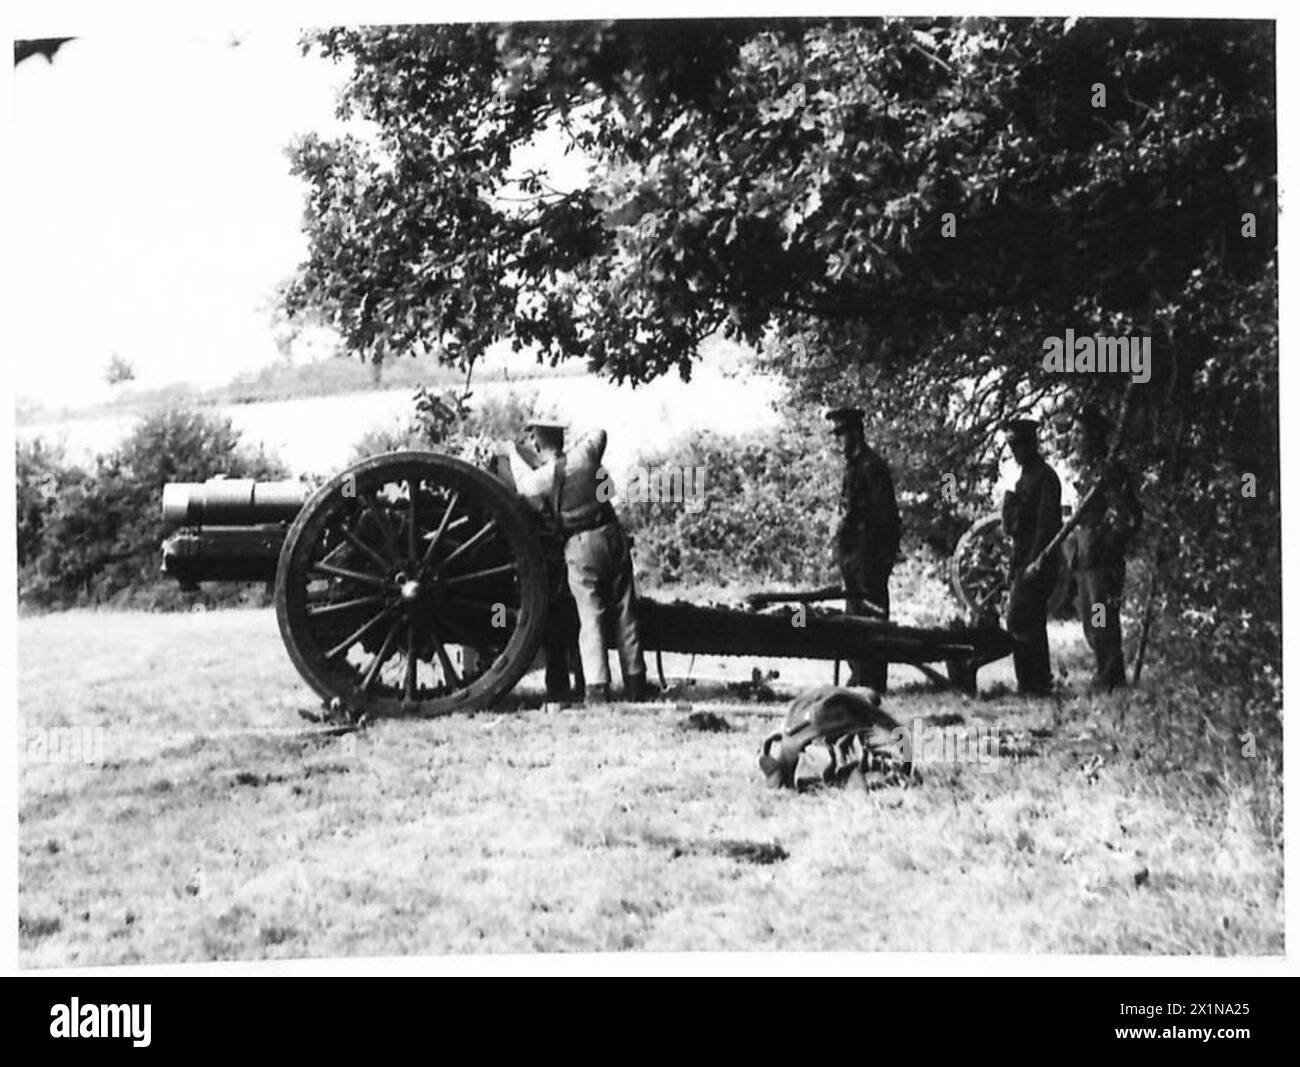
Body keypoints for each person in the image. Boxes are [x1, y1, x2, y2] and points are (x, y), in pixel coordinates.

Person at [499, 417, 653, 704]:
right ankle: (636, 683)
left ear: (536, 442)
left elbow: (522, 484)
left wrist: (512, 452)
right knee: (626, 612)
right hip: (612, 535)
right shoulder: (585, 455)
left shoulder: (541, 479)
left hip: (581, 546)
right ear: (560, 438)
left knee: (591, 616)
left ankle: (597, 689)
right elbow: (599, 432)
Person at [827, 406, 901, 692]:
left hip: (869, 556)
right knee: (853, 615)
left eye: (841, 435)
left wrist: (881, 558)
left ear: (855, 434)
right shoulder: (854, 466)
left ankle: (872, 681)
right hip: (854, 557)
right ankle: (860, 675)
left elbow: (885, 516)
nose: (838, 442)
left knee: (871, 618)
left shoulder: (871, 466)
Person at [1069, 406, 1143, 691]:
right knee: (1091, 617)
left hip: (1102, 556)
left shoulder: (1110, 469)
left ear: (1095, 435)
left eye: (1082, 433)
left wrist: (1112, 541)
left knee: (1101, 616)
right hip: (1087, 553)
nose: (1077, 439)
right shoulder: (1088, 470)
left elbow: (1131, 515)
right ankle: (1105, 671)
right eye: (1076, 433)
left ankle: (1110, 676)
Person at [1001, 418, 1062, 696]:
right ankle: (1031, 682)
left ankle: (1036, 682)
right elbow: (1017, 529)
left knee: (1024, 619)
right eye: (1011, 445)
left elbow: (1046, 526)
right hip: (1023, 558)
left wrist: (1035, 563)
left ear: (1031, 444)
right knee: (1023, 621)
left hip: (1038, 561)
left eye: (1019, 445)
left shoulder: (1045, 477)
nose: (1015, 451)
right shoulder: (1024, 477)